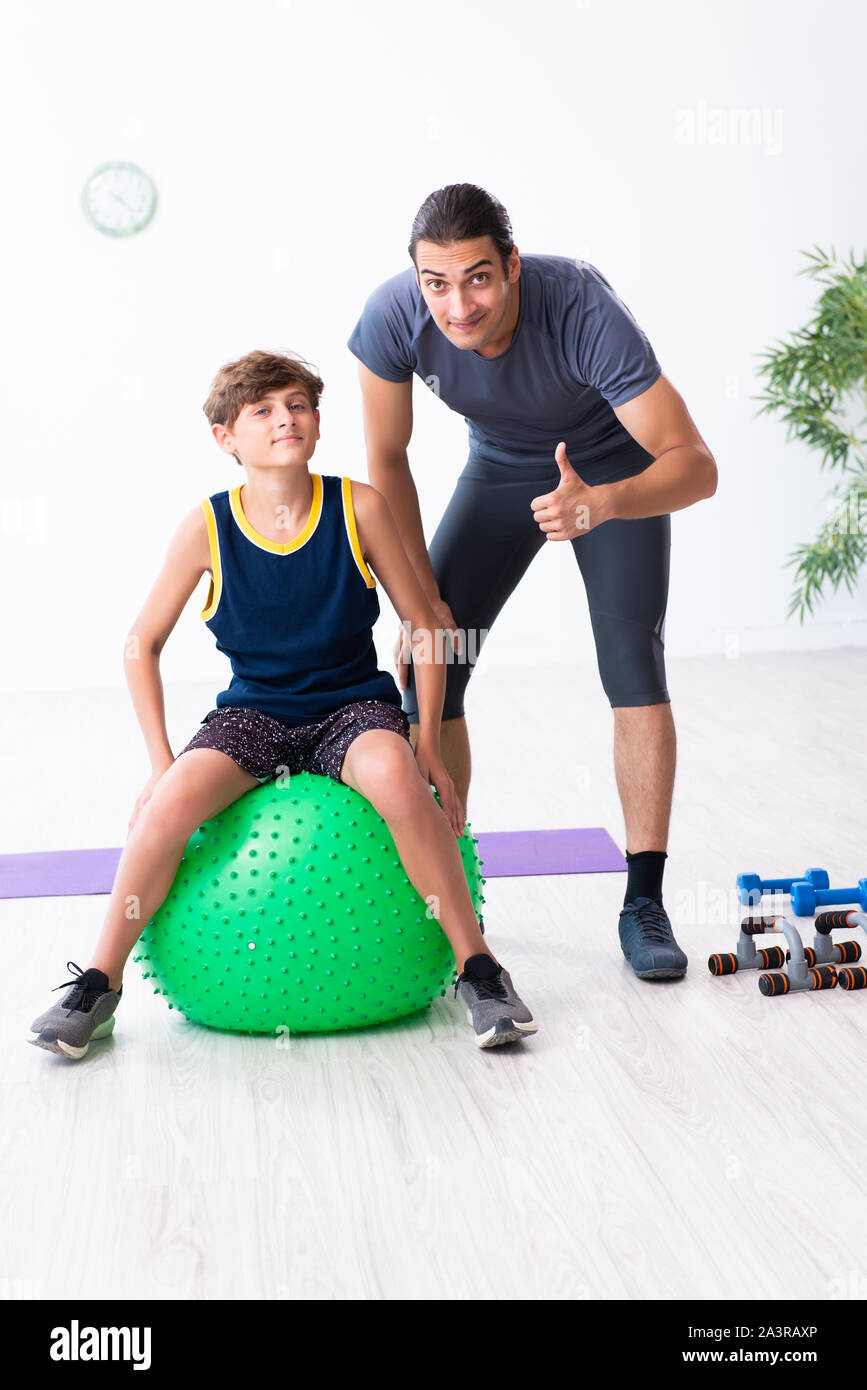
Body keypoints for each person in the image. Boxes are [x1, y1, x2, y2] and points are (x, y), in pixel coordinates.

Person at [28, 349, 537, 1059]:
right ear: (226, 439)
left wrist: (423, 740)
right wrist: (159, 762)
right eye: (262, 410)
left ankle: (479, 972)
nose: (284, 419)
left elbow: (423, 626)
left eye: (297, 404)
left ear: (318, 423)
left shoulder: (358, 506)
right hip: (253, 715)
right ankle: (98, 984)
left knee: (394, 780)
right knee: (170, 802)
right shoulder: (205, 527)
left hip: (352, 708)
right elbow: (140, 644)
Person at [347, 183, 718, 981]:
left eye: (478, 277)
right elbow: (385, 462)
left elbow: (695, 467)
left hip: (613, 472)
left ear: (512, 266)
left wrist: (604, 503)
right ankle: (452, 887)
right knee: (431, 659)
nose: (456, 305)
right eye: (436, 284)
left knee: (630, 662)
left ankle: (643, 900)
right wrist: (418, 597)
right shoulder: (391, 316)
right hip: (499, 472)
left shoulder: (581, 310)